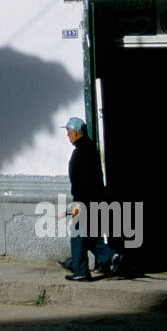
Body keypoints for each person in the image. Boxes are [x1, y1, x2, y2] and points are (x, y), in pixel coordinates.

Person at [61, 116, 123, 281]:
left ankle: (81, 271)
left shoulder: (82, 152)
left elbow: (83, 181)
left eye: (68, 133)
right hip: (92, 199)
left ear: (75, 132)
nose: (68, 136)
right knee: (88, 236)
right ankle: (109, 256)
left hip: (85, 201)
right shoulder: (89, 148)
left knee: (78, 235)